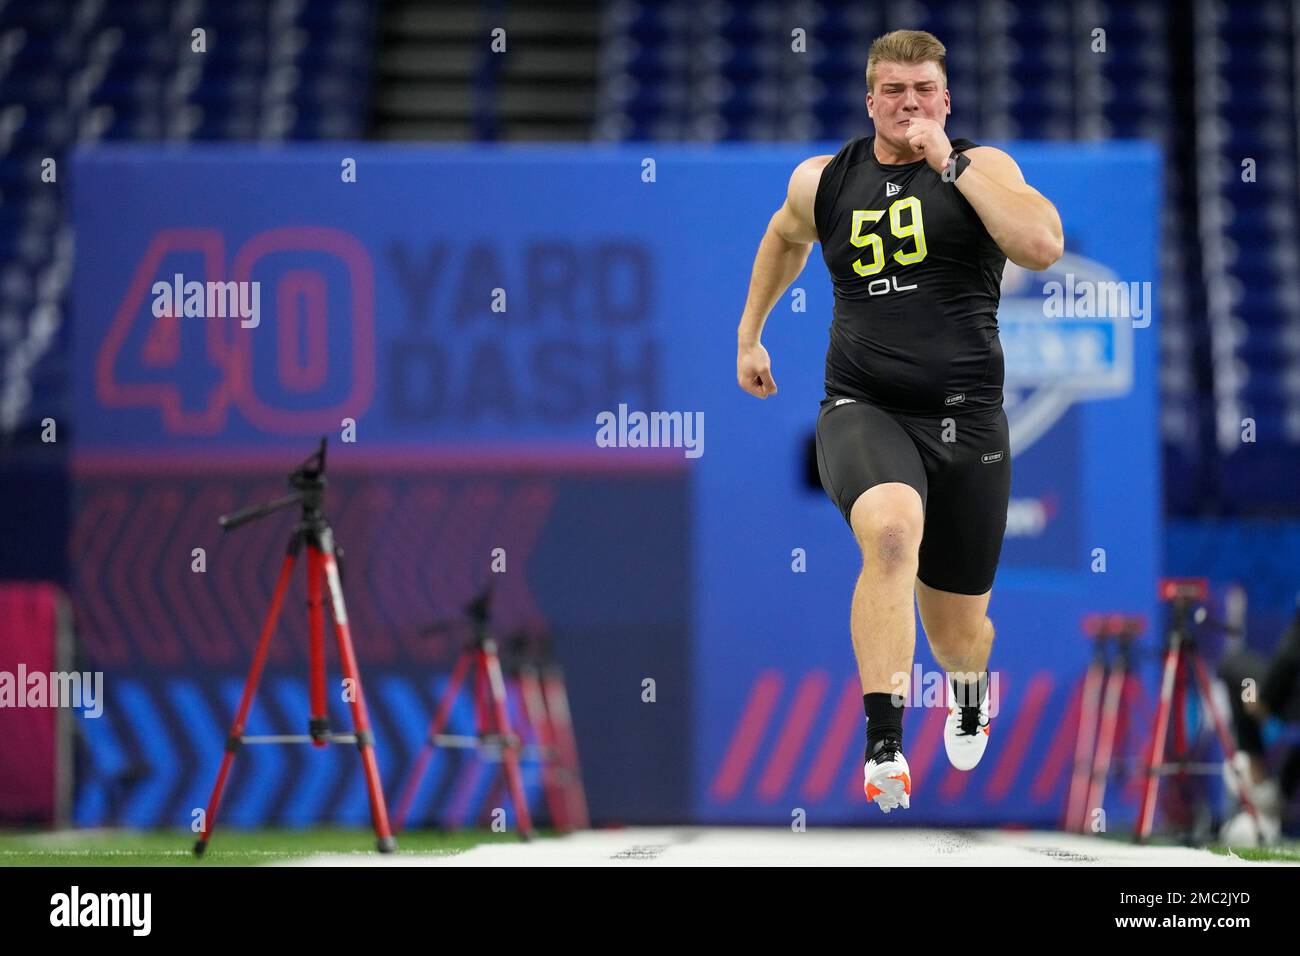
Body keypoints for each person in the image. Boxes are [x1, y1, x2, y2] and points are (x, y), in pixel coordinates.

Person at [735, 29, 1063, 812]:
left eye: (923, 90)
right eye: (893, 90)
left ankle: (969, 687)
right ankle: (884, 742)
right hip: (864, 404)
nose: (908, 103)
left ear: (944, 100)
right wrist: (751, 334)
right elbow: (784, 237)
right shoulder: (825, 179)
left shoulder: (981, 168)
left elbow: (1044, 246)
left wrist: (948, 160)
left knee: (960, 636)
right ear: (870, 99)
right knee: (888, 531)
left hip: (969, 422)